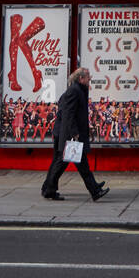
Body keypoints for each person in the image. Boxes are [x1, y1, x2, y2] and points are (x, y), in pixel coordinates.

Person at [41, 68, 109, 202]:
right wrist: (74, 133)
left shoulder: (78, 90)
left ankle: (49, 188)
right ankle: (94, 190)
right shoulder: (74, 91)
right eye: (88, 77)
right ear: (81, 78)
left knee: (68, 163)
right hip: (70, 134)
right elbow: (68, 114)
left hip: (70, 133)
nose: (90, 79)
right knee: (68, 163)